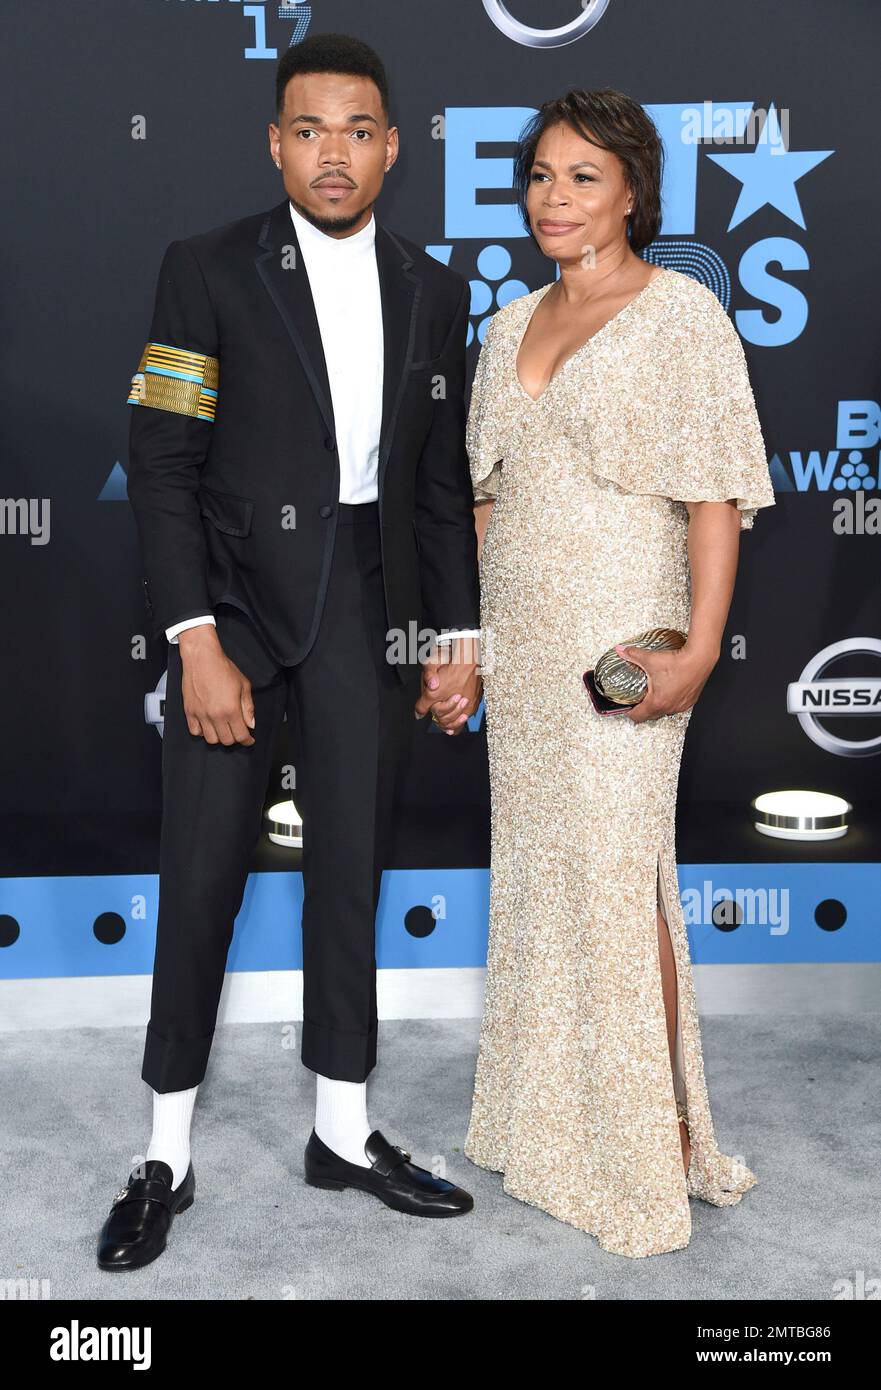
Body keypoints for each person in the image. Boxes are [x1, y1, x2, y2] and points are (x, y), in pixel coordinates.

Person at [97, 32, 483, 1272]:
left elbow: (434, 491)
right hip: (236, 620)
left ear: (392, 147)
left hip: (372, 614)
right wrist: (195, 640)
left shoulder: (435, 290)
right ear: (276, 143)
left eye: (357, 129)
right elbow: (159, 466)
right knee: (201, 881)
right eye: (309, 130)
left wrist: (448, 637)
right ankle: (163, 1152)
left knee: (350, 879)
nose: (334, 152)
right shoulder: (203, 269)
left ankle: (342, 1129)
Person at [461, 88, 776, 1258]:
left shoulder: (680, 313)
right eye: (540, 176)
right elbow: (486, 502)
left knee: (614, 871)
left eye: (582, 177)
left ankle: (647, 1150)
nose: (555, 197)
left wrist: (696, 644)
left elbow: (712, 496)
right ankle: (546, 1126)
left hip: (620, 649)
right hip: (529, 643)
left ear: (633, 191)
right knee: (542, 877)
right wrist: (478, 644)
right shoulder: (506, 325)